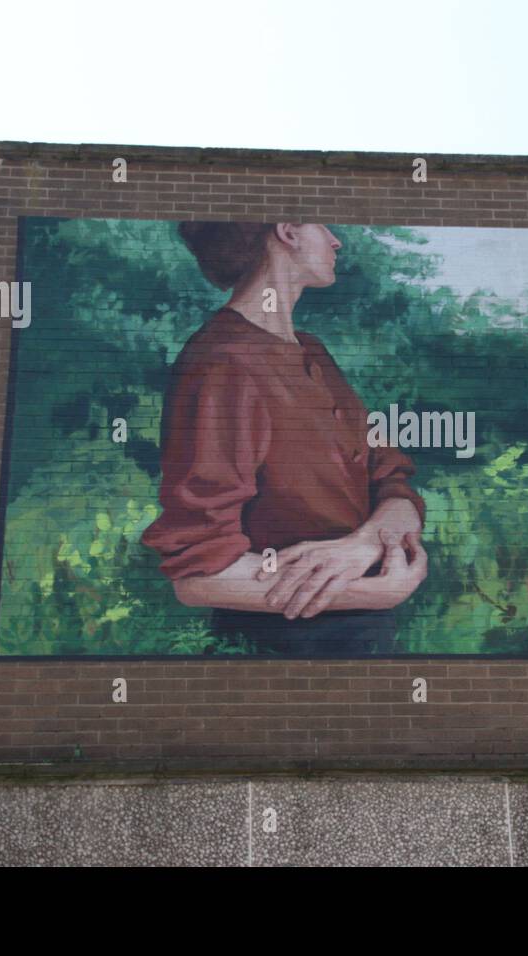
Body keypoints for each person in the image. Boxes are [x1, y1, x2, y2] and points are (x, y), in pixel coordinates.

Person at [141, 221, 428, 655]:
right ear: (288, 231)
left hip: (363, 639)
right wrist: (378, 591)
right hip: (279, 648)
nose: (336, 240)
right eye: (323, 226)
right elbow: (198, 575)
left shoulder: (311, 352)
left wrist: (364, 544)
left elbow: (391, 480)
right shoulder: (223, 365)